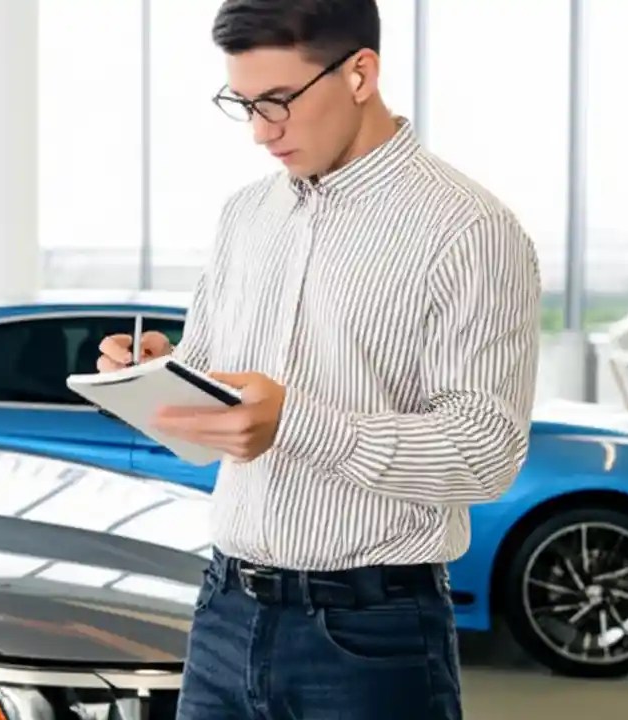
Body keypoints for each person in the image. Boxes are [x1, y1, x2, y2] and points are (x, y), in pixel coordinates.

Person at [98, 1, 541, 718]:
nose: (260, 132)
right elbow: (204, 432)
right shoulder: (245, 216)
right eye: (242, 104)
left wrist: (295, 423)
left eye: (278, 102)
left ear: (361, 72)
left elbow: (487, 452)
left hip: (372, 638)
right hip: (224, 616)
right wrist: (160, 376)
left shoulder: (470, 231)